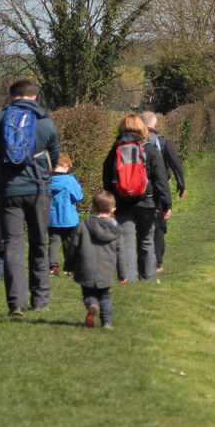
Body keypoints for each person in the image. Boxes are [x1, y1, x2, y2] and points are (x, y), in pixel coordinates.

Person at [0, 80, 59, 315]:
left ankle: (16, 303)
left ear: (11, 97)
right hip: (38, 190)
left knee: (13, 245)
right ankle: (41, 300)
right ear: (35, 97)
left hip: (9, 191)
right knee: (39, 243)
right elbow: (54, 157)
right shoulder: (45, 121)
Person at [102, 113, 170, 283]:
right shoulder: (149, 149)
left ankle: (129, 281)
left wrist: (112, 199)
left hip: (123, 203)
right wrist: (166, 203)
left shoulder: (116, 149)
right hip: (147, 202)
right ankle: (147, 279)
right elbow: (160, 178)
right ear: (142, 128)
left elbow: (107, 176)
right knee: (146, 240)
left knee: (126, 242)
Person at [67, 190, 122, 329]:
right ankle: (106, 322)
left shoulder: (83, 225)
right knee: (104, 296)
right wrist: (122, 273)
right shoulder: (115, 230)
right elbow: (121, 253)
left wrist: (69, 266)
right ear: (113, 209)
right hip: (106, 268)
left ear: (93, 207)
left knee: (88, 293)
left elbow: (73, 246)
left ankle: (91, 305)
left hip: (86, 267)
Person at [140, 111, 185, 274]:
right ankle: (157, 262)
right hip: (158, 189)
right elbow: (176, 165)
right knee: (158, 224)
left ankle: (140, 262)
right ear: (156, 125)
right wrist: (181, 185)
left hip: (136, 189)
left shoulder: (132, 142)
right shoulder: (162, 141)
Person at [48, 153, 84, 275]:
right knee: (69, 242)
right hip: (69, 217)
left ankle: (53, 267)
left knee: (54, 242)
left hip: (52, 217)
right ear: (65, 165)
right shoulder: (69, 180)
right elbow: (78, 197)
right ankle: (70, 268)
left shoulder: (47, 180)